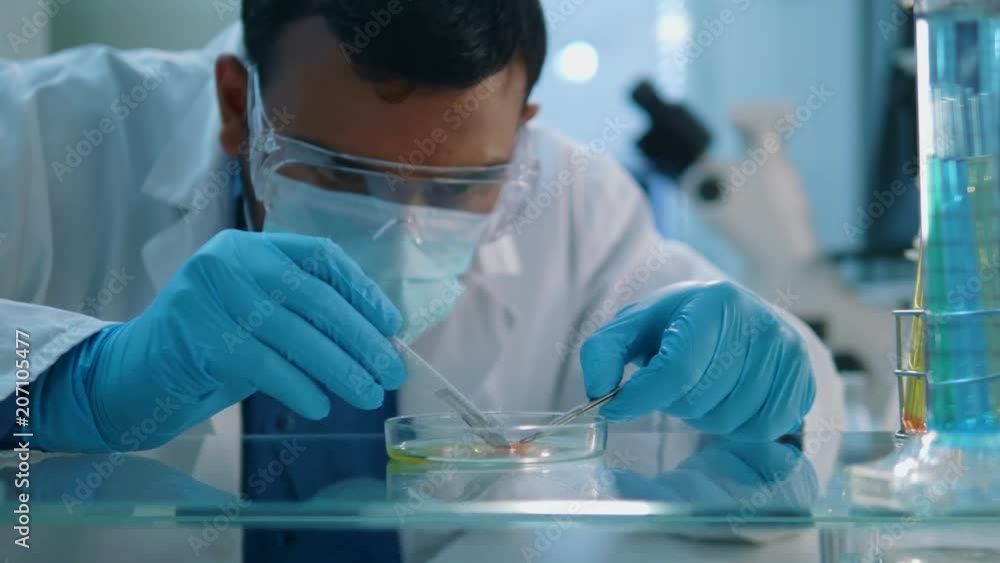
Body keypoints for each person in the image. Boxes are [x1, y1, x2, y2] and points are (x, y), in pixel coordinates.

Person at [0, 1, 842, 561]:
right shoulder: (43, 136)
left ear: (521, 135)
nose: (400, 230)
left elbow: (793, 399)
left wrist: (771, 378)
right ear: (237, 104)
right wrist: (79, 382)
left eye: (454, 187)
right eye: (337, 171)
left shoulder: (572, 200)